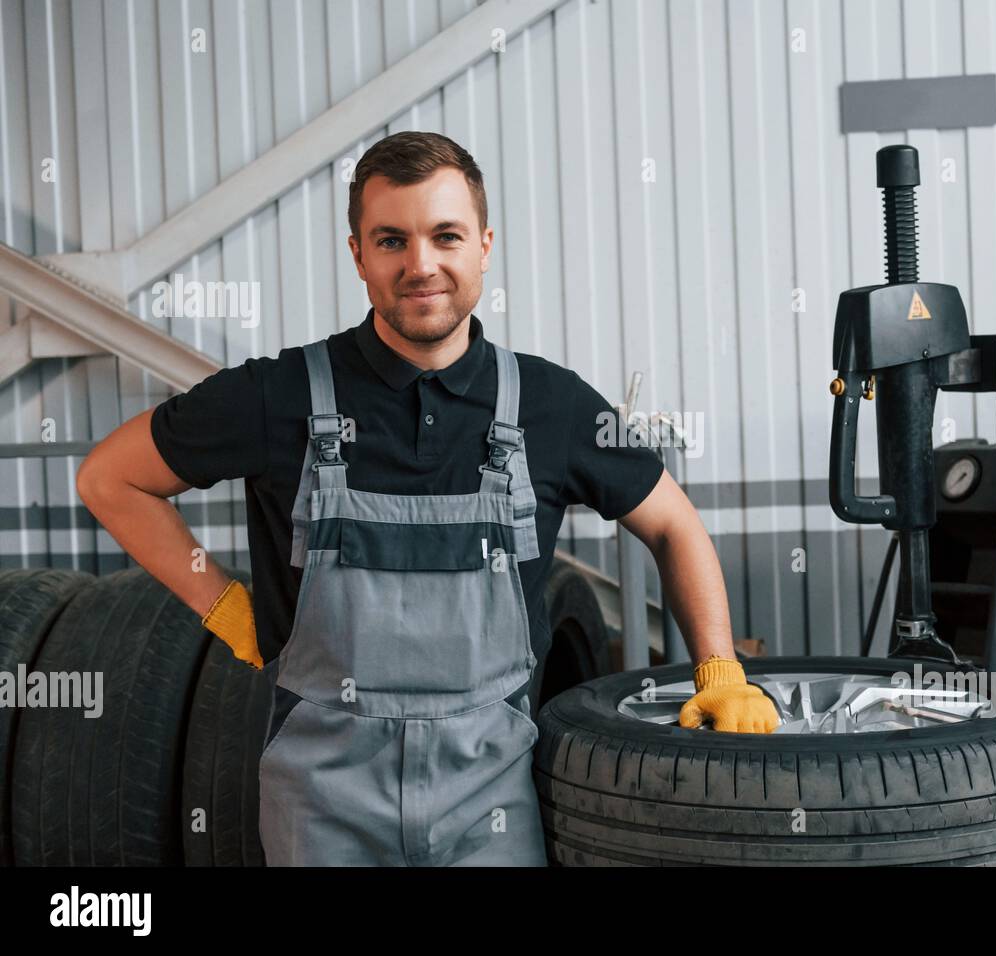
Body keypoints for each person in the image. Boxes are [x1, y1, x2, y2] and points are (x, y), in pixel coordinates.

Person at [76, 131, 779, 867]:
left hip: (491, 804)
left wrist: (718, 668)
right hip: (321, 807)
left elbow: (672, 521)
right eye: (391, 240)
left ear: (484, 245)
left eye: (445, 236)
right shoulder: (275, 395)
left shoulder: (551, 405)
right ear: (357, 255)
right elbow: (110, 478)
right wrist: (222, 604)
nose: (421, 265)